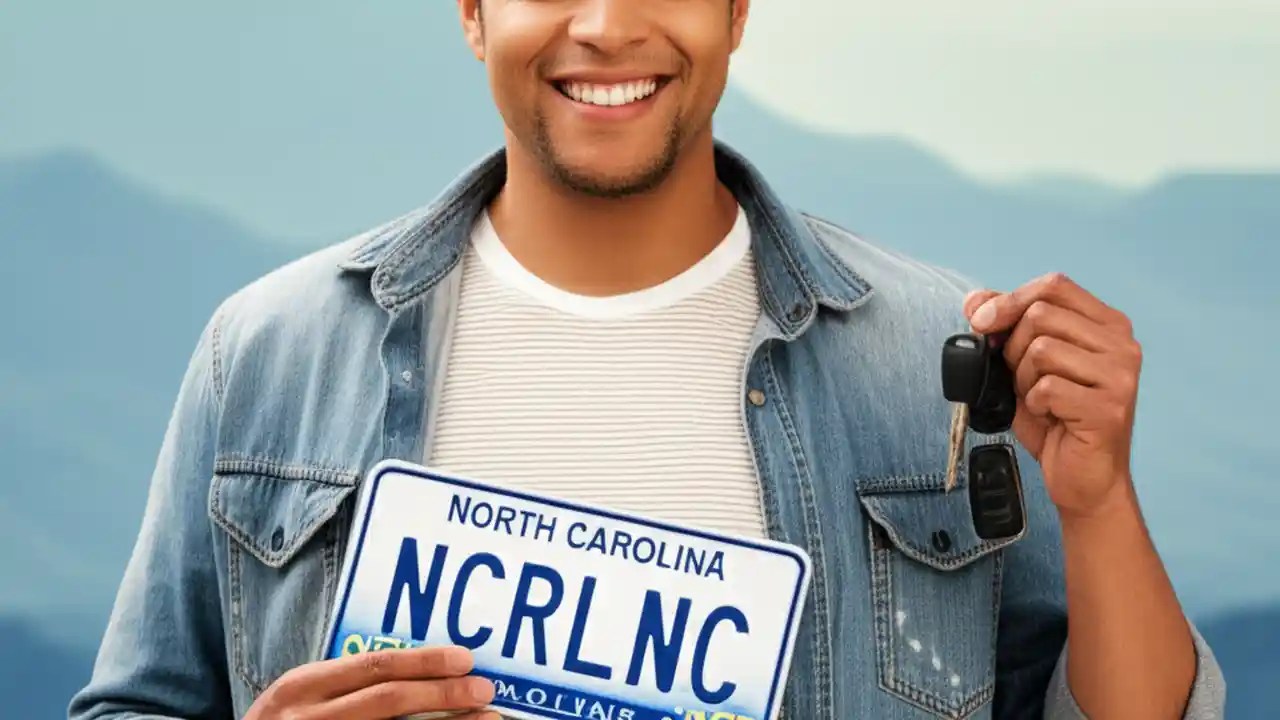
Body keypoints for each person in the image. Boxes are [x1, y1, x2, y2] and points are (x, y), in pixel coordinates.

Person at [69, 1, 1226, 719]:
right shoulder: (269, 355)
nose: (607, 24)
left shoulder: (943, 358)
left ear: (735, 10)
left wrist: (1100, 502)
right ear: (472, 13)